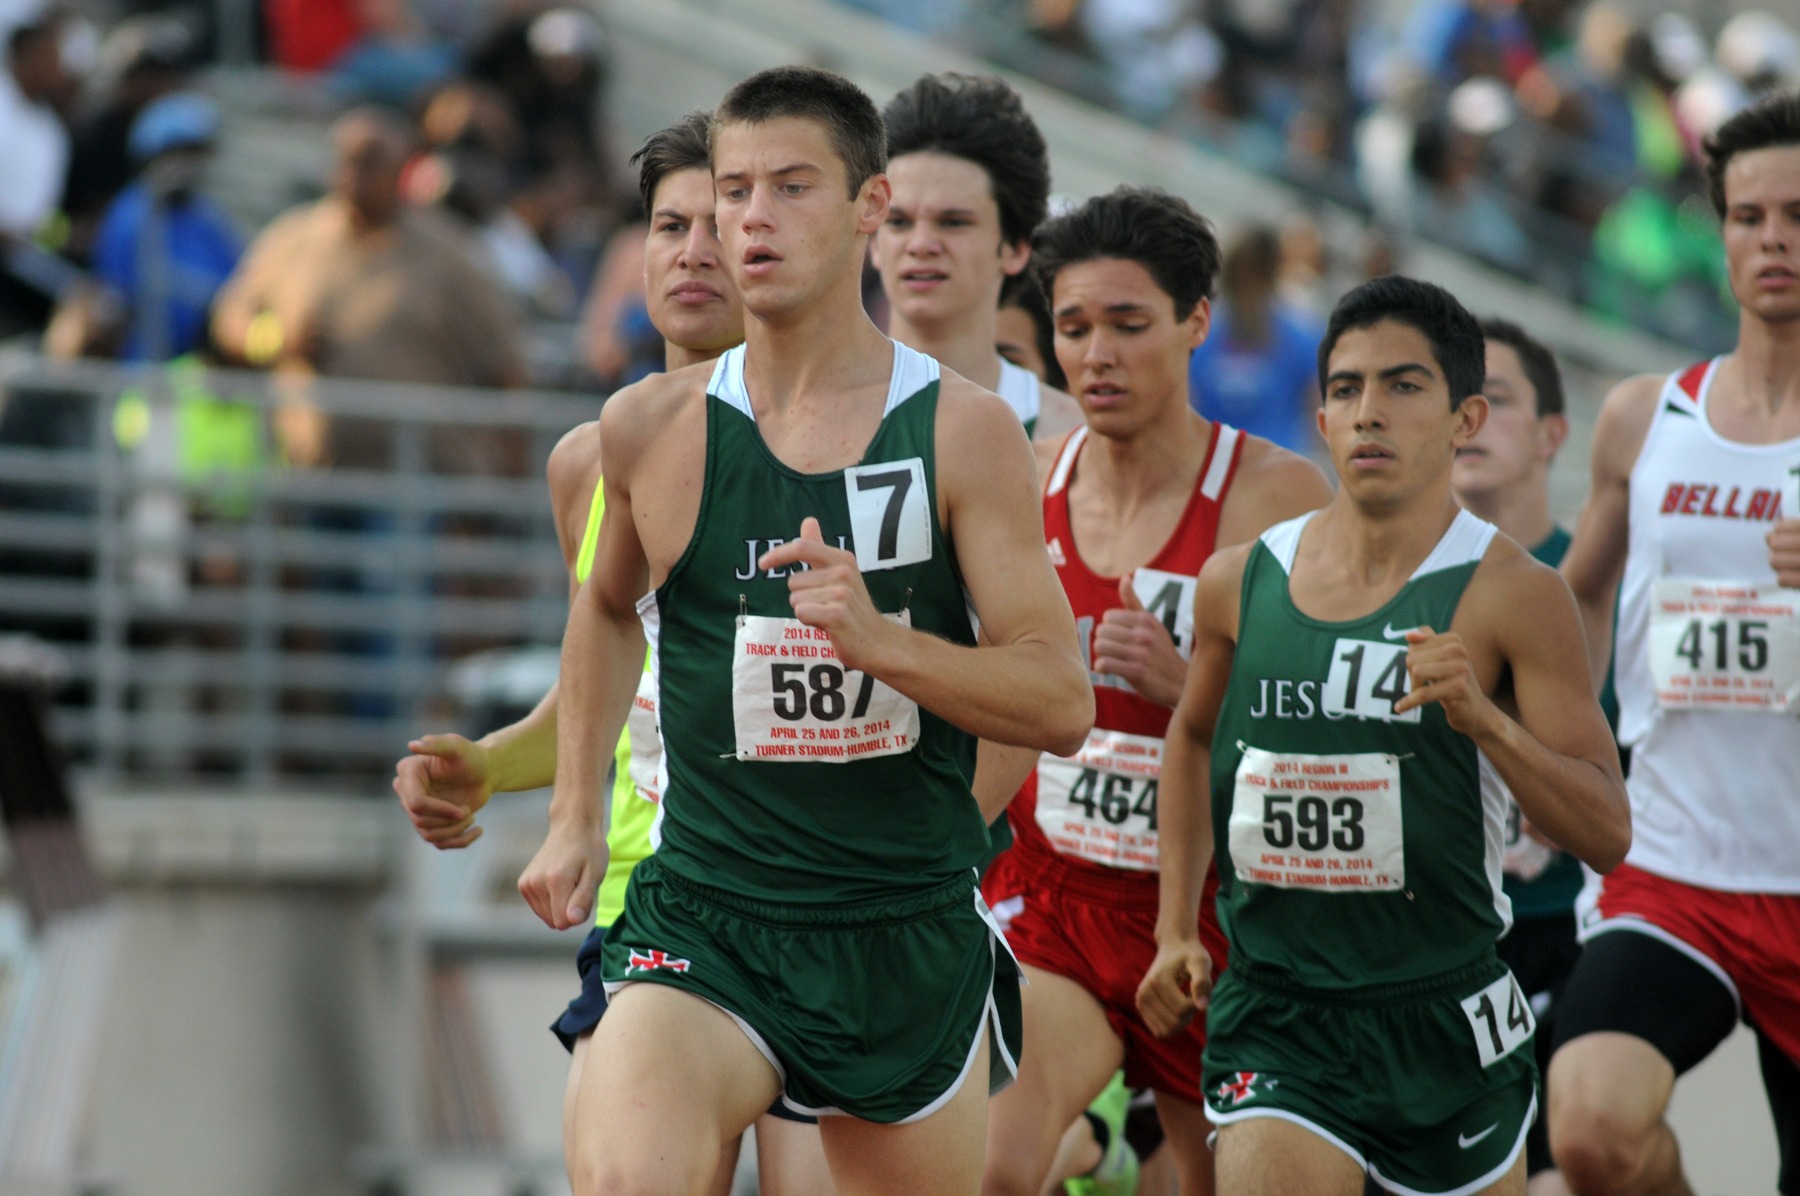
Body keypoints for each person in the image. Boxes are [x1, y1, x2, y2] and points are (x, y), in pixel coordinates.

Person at [523, 66, 1093, 1196]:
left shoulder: (965, 432)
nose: (751, 219)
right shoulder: (646, 429)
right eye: (734, 191)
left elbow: (1059, 699)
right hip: (708, 913)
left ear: (867, 208)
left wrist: (888, 647)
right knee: (630, 1173)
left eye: (791, 187)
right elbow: (601, 611)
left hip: (903, 930)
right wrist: (573, 814)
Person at [393, 113, 833, 1196]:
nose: (692, 250)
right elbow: (613, 686)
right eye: (667, 224)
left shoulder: (853, 442)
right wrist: (490, 765)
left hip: (833, 899)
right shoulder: (588, 461)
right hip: (654, 893)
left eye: (719, 222)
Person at [1144, 275, 1629, 1195]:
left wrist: (1486, 724)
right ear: (1319, 415)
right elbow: (1194, 738)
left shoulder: (1516, 594)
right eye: (1345, 388)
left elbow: (1606, 830)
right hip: (1279, 1013)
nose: (1369, 412)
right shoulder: (1237, 582)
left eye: (1404, 386)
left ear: (1464, 418)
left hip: (1443, 1018)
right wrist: (1177, 928)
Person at [979, 186, 1333, 1196]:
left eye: (1128, 324)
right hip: (1058, 900)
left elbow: (1342, 744)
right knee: (991, 1163)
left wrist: (1192, 688)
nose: (1096, 354)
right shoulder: (1024, 477)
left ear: (1195, 324)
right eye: (1074, 326)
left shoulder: (1276, 497)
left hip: (1224, 918)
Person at [1547, 89, 1800, 1196]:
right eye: (1749, 216)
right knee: (1593, 1130)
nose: (1775, 240)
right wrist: (1550, 746)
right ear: (1720, 229)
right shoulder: (1648, 416)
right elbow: (1575, 601)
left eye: (1798, 213)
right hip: (1675, 866)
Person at [1451, 318, 1596, 1195]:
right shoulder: (1372, 578)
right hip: (1425, 934)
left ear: (1553, 434)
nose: (1471, 421)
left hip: (1563, 931)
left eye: (1495, 400)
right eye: (1457, 400)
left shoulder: (1598, 581)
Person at [211, 107, 525, 393]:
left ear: (401, 166)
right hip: (303, 455)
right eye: (346, 158)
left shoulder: (448, 250)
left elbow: (504, 360)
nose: (355, 172)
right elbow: (230, 319)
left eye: (370, 160)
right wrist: (275, 340)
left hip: (419, 453)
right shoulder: (291, 239)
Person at [873, 72, 1083, 440]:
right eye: (899, 221)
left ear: (1016, 247)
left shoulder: (1071, 438)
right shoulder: (800, 409)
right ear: (873, 243)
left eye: (953, 222)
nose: (921, 244)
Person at [90, 92, 241, 363]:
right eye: (182, 152)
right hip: (141, 369)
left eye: (198, 153)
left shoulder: (206, 217)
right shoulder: (130, 214)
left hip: (199, 370)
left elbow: (235, 283)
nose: (190, 165)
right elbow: (117, 293)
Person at [1186, 224, 1322, 456]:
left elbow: (1317, 412)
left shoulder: (1301, 337)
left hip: (1269, 470)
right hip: (1217, 466)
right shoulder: (1202, 334)